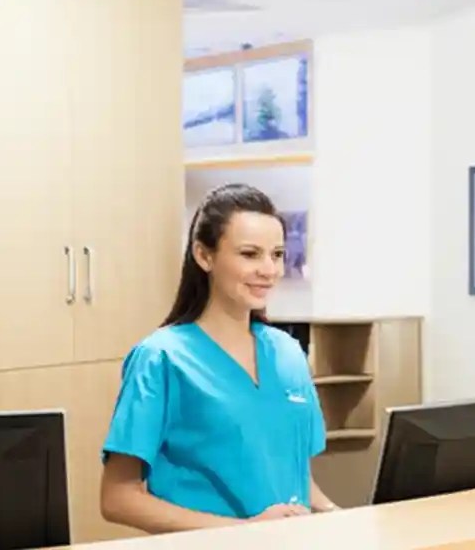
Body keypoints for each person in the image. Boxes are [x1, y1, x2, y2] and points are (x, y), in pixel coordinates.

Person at [100, 183, 339, 532]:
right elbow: (118, 498)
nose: (269, 270)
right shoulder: (161, 358)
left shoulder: (287, 352)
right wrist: (241, 532)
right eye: (249, 254)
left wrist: (339, 517)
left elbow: (296, 477)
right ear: (204, 255)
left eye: (277, 254)